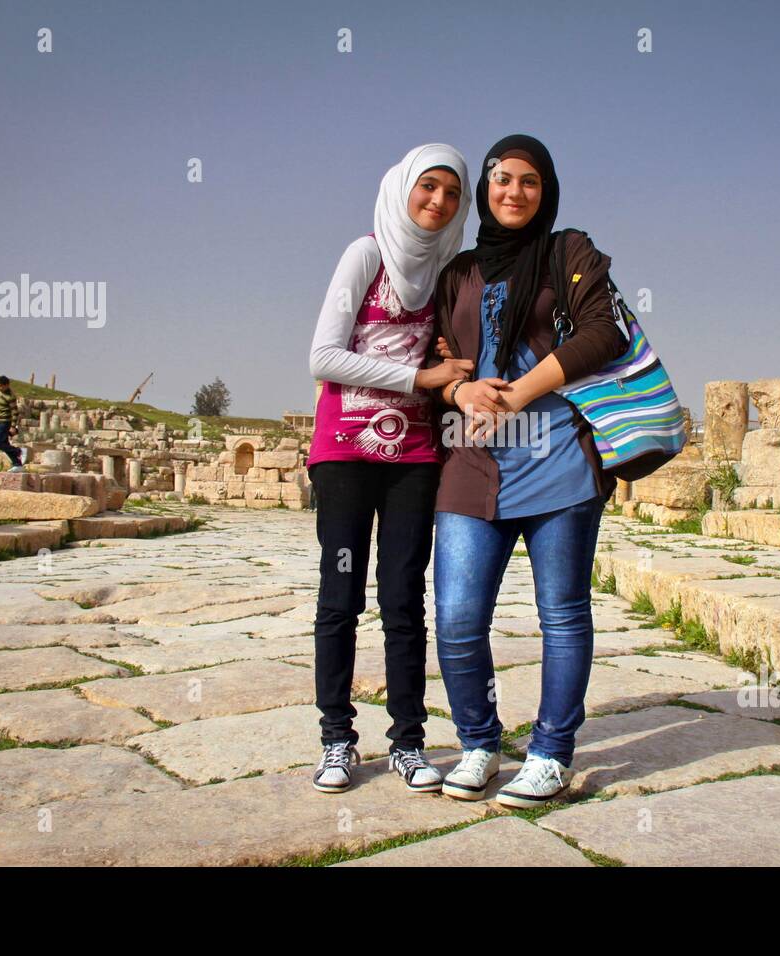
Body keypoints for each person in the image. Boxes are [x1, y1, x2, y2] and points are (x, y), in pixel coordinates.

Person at [426, 134, 628, 808]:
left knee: (562, 614)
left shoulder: (570, 251)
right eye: (502, 179)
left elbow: (605, 333)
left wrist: (517, 391)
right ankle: (479, 743)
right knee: (455, 617)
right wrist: (460, 391)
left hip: (559, 461)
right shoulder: (457, 272)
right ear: (486, 189)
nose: (514, 191)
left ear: (547, 191)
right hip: (471, 460)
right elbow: (439, 356)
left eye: (530, 181)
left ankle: (549, 753)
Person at [306, 143, 474, 794]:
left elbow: (462, 354)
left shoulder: (448, 273)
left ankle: (408, 741)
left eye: (451, 193)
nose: (437, 201)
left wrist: (453, 359)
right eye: (427, 187)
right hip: (346, 452)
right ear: (402, 189)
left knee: (405, 600)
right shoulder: (367, 254)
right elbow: (323, 356)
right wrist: (419, 374)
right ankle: (336, 738)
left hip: (414, 456)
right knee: (340, 600)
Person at [0, 376, 25, 471]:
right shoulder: (0, 393)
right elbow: (1, 408)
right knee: (5, 444)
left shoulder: (10, 397)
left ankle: (18, 451)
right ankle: (17, 464)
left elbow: (15, 412)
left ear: (7, 385)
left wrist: (13, 427)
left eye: (0, 386)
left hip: (4, 423)